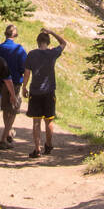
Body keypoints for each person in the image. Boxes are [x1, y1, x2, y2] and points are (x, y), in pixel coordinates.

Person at [22, 28, 67, 157]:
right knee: (49, 120)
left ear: (37, 41)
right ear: (48, 42)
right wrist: (52, 32)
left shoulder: (31, 54)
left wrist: (24, 87)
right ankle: (48, 144)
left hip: (35, 91)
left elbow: (27, 73)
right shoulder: (52, 53)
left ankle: (37, 149)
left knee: (36, 122)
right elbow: (64, 43)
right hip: (49, 91)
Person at [0, 25, 27, 148]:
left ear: (5, 34)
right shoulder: (19, 49)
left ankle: (8, 132)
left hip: (1, 82)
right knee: (12, 110)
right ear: (15, 35)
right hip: (15, 83)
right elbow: (24, 67)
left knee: (5, 109)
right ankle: (3, 139)